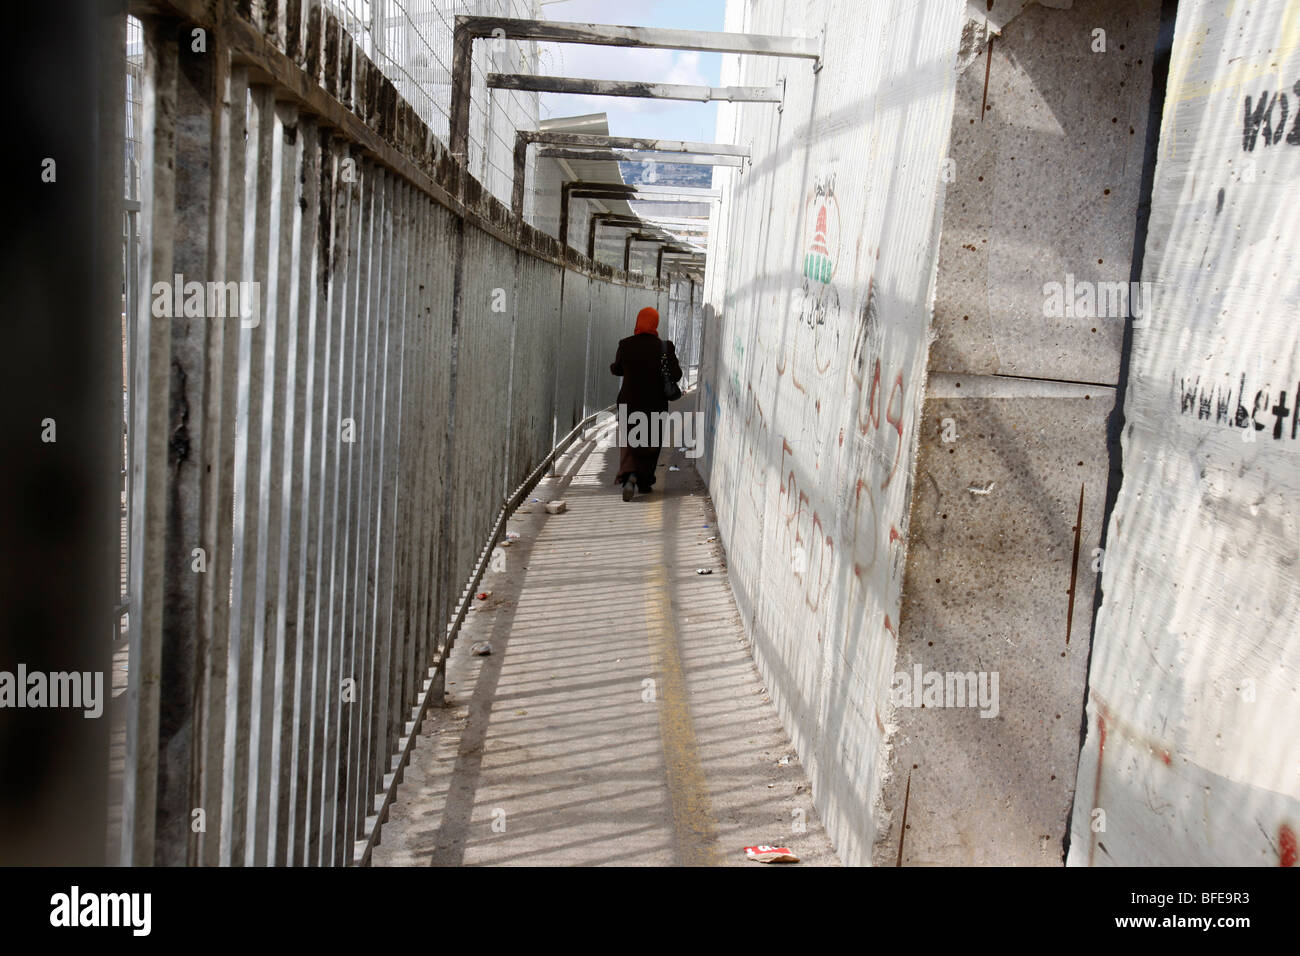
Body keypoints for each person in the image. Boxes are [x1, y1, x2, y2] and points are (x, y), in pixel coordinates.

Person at [610, 306, 682, 501]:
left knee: (629, 440)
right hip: (655, 403)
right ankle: (644, 480)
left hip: (629, 402)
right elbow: (676, 375)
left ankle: (628, 476)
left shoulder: (625, 344)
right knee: (652, 441)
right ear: (655, 323)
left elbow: (617, 369)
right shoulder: (664, 347)